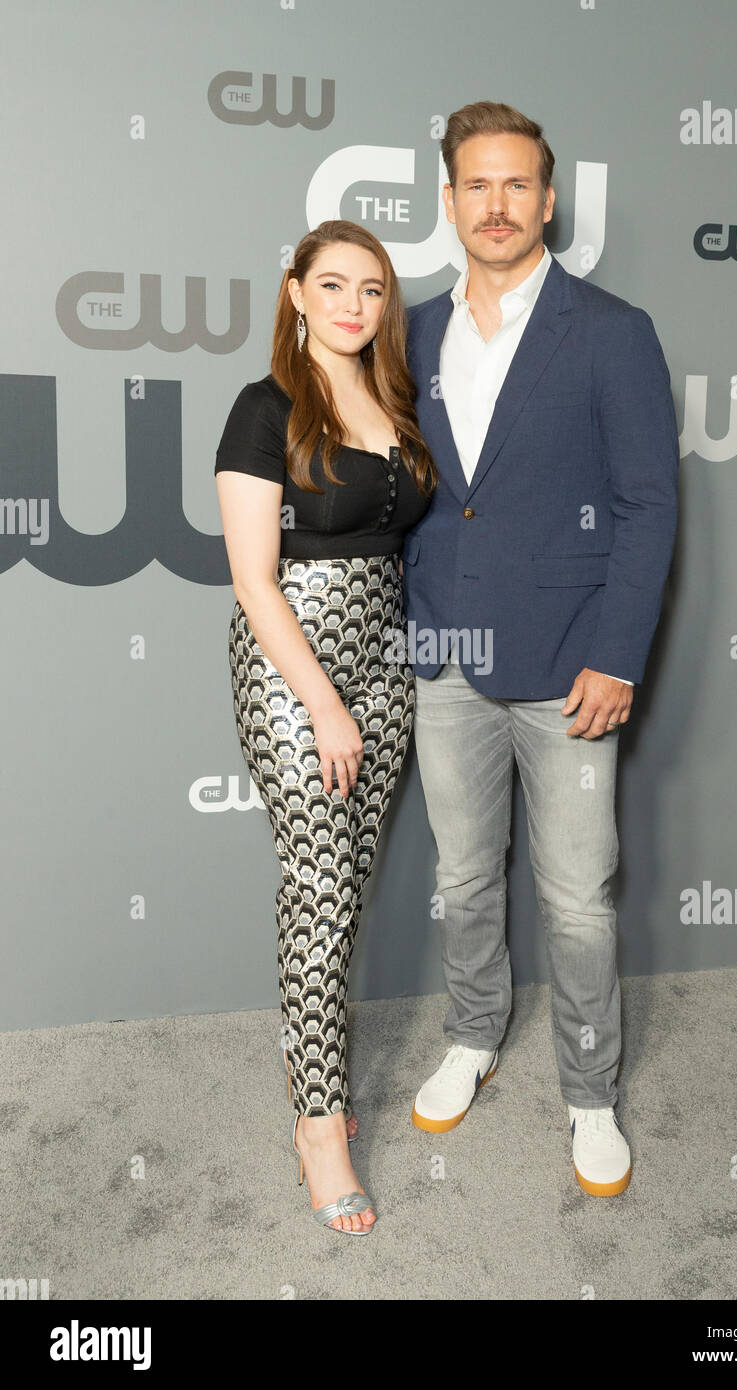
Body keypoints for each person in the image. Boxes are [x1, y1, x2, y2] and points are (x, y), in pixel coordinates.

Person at [402, 101, 679, 1196]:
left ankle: (589, 1089)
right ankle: (474, 1032)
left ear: (548, 199)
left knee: (574, 895)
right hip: (444, 660)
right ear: (450, 200)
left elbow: (647, 505)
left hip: (570, 664)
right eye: (477, 184)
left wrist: (615, 656)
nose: (498, 204)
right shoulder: (412, 331)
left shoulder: (611, 329)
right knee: (466, 878)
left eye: (517, 184)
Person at [214, 221, 436, 1233]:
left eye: (374, 289)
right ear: (295, 291)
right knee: (319, 891)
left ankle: (316, 1088)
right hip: (292, 665)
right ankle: (318, 1126)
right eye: (334, 284)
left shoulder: (394, 400)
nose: (354, 304)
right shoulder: (266, 408)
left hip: (384, 660)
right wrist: (323, 702)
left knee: (347, 882)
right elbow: (255, 580)